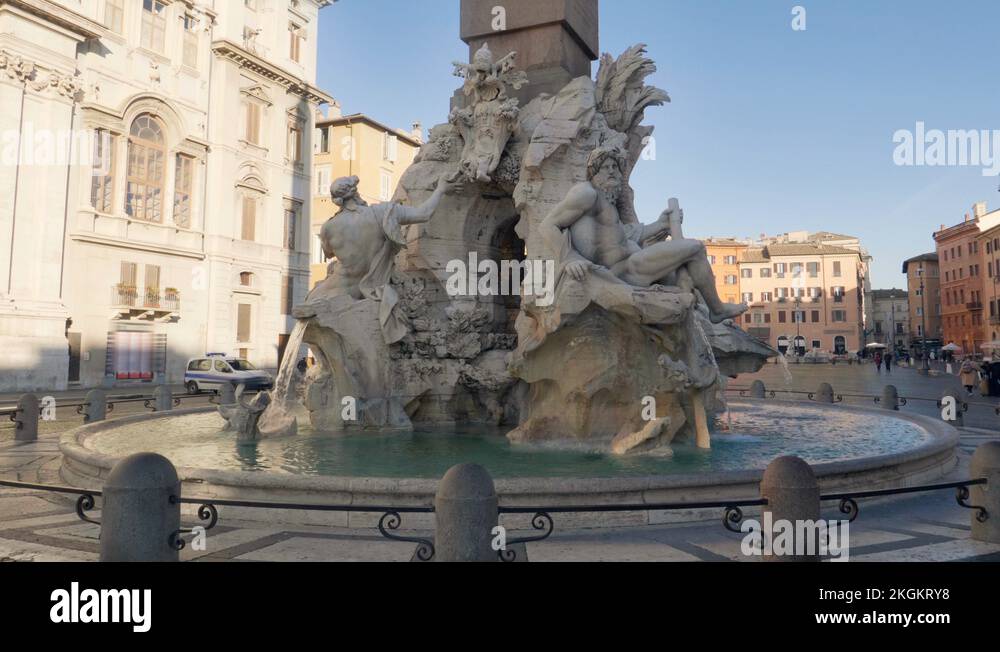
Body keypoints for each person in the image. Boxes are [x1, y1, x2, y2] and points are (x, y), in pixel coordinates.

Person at [539, 145, 747, 324]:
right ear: (594, 173)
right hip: (624, 271)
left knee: (682, 277)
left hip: (633, 264)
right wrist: (569, 258)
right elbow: (547, 225)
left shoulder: (607, 203)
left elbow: (627, 237)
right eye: (605, 167)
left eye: (615, 168)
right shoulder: (585, 193)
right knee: (695, 248)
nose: (612, 171)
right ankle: (717, 310)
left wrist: (661, 224)